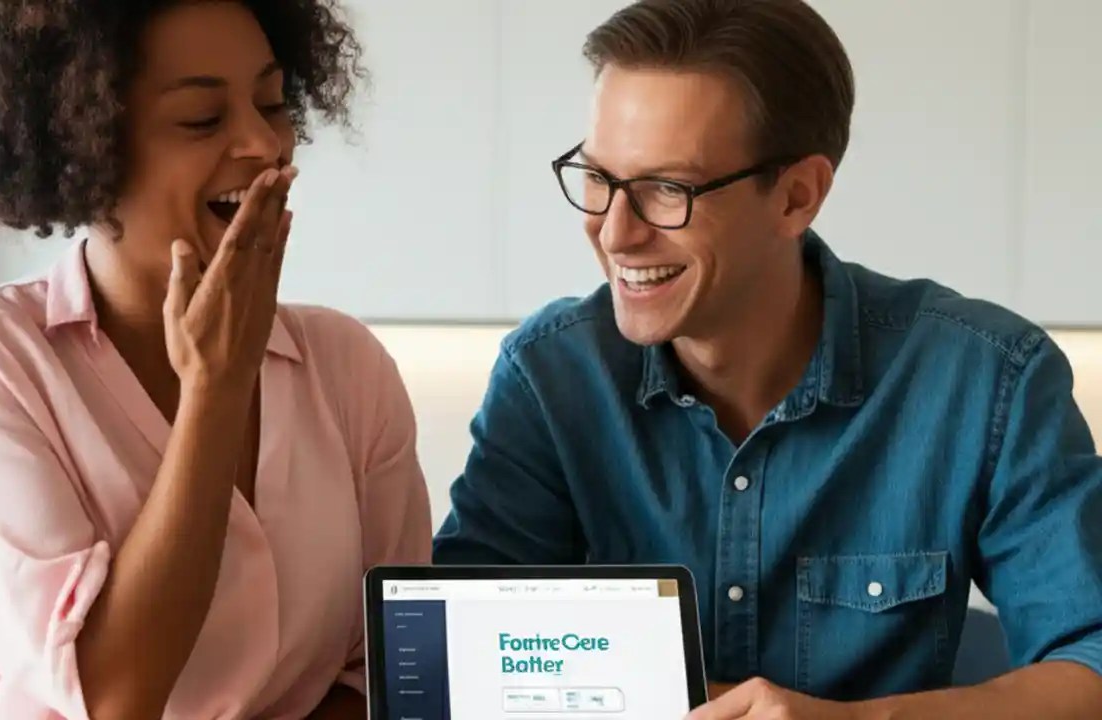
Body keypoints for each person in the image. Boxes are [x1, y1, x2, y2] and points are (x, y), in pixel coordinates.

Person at [433, 0, 1102, 717]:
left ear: (796, 196)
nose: (615, 234)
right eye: (598, 177)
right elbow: (452, 661)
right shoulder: (550, 378)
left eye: (668, 190)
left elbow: (1090, 657)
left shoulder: (988, 378)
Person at [0, 2, 431, 718]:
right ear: (85, 146)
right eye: (202, 119)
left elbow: (395, 674)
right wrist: (215, 389)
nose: (264, 143)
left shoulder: (348, 368)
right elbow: (114, 696)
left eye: (272, 102)